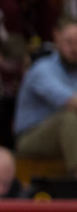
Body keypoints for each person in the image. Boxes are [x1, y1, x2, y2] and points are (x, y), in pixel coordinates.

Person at [13, 16, 77, 177]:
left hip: (65, 137)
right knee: (69, 118)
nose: (75, 49)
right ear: (57, 39)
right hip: (30, 137)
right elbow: (71, 102)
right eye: (69, 42)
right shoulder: (42, 69)